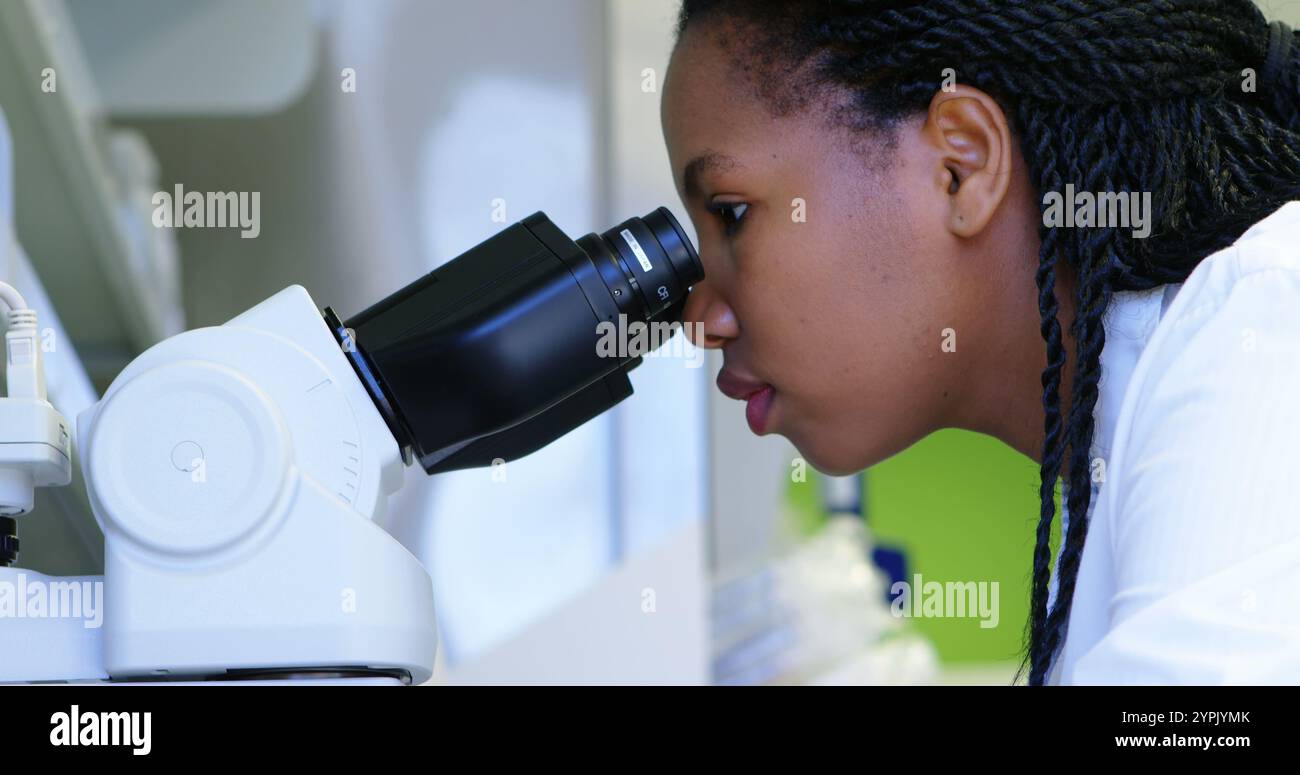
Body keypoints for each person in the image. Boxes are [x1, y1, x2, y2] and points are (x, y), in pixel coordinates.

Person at [663, 0, 1300, 684]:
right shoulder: (1129, 445)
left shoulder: (1262, 331)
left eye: (731, 215)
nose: (702, 318)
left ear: (960, 168)